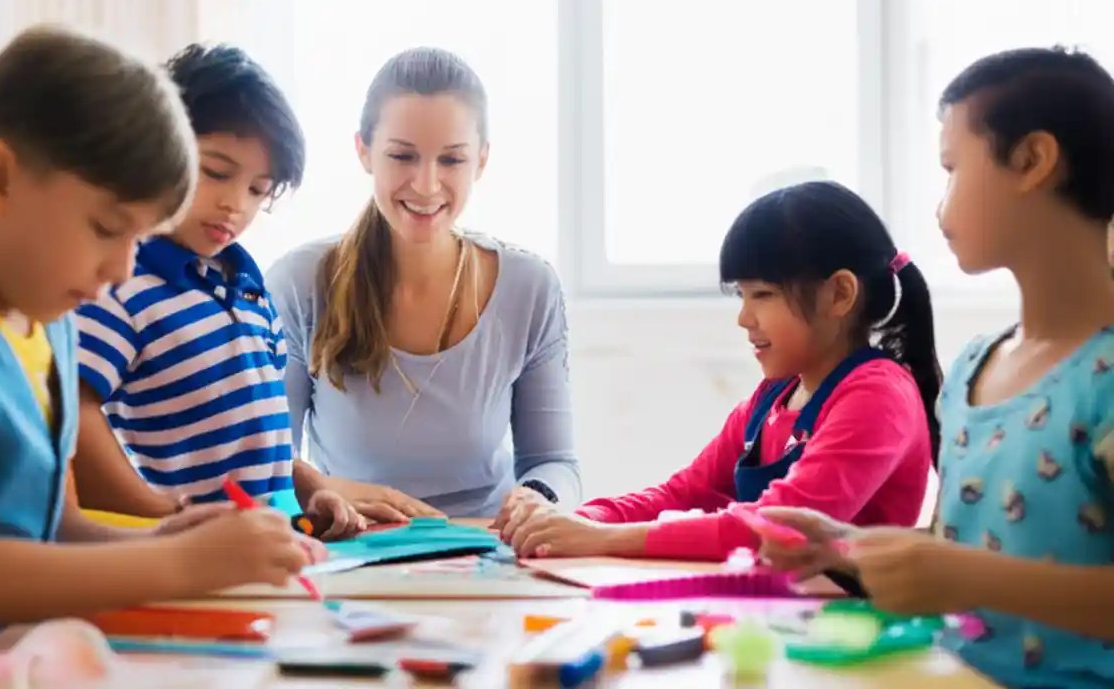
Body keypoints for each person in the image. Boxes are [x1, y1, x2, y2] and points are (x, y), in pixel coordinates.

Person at [0, 26, 319, 653]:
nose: (123, 270)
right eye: (106, 229)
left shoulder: (46, 325)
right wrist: (183, 565)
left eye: (140, 239)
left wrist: (169, 539)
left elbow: (51, 530)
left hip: (12, 652)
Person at [760, 47, 1114, 689]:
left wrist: (963, 576)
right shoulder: (978, 365)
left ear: (1032, 160)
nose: (939, 202)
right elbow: (971, 547)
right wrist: (843, 547)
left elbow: (972, 572)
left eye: (952, 168)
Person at [502, 181, 939, 561]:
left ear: (840, 294)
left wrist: (602, 538)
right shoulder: (772, 398)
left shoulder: (877, 397)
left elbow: (776, 529)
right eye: (741, 296)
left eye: (763, 295)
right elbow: (683, 493)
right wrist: (575, 520)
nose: (744, 318)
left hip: (851, 631)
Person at [268, 47, 581, 521]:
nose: (427, 185)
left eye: (451, 160)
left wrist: (536, 495)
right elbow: (268, 466)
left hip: (486, 553)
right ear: (363, 151)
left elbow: (555, 463)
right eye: (402, 156)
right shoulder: (299, 283)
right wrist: (333, 491)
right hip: (350, 549)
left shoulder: (530, 288)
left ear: (481, 161)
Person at [71, 42, 361, 538]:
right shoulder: (121, 281)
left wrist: (311, 489)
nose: (235, 205)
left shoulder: (250, 289)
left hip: (269, 549)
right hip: (184, 561)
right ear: (159, 148)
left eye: (257, 190)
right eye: (216, 173)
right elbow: (74, 413)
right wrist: (163, 517)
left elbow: (258, 437)